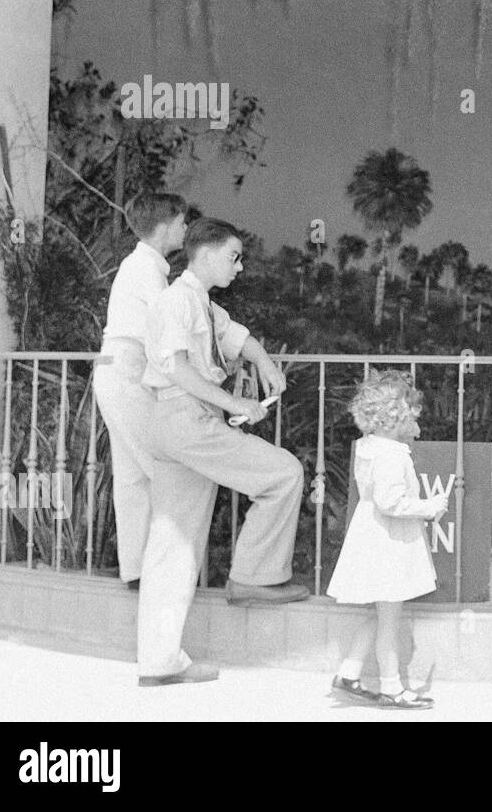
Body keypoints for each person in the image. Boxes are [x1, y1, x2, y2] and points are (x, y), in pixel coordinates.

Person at [136, 217, 308, 687]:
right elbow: (176, 367)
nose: (240, 265)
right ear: (206, 253)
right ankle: (253, 575)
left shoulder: (202, 305)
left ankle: (159, 662)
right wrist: (235, 403)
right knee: (285, 474)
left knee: (173, 543)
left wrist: (265, 361)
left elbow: (240, 339)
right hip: (185, 419)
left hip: (177, 425)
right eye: (234, 256)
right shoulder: (177, 300)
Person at [328, 370, 448, 710]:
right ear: (395, 419)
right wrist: (429, 507)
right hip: (388, 544)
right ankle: (392, 687)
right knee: (390, 619)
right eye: (410, 418)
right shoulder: (392, 455)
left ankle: (349, 673)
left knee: (378, 614)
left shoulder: (367, 448)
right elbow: (391, 502)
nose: (413, 425)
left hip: (372, 537)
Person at [92, 192, 188, 589]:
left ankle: (136, 570)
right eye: (182, 222)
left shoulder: (145, 266)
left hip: (120, 375)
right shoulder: (145, 269)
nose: (185, 229)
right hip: (125, 375)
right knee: (160, 471)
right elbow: (168, 327)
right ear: (165, 226)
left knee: (133, 477)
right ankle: (160, 571)